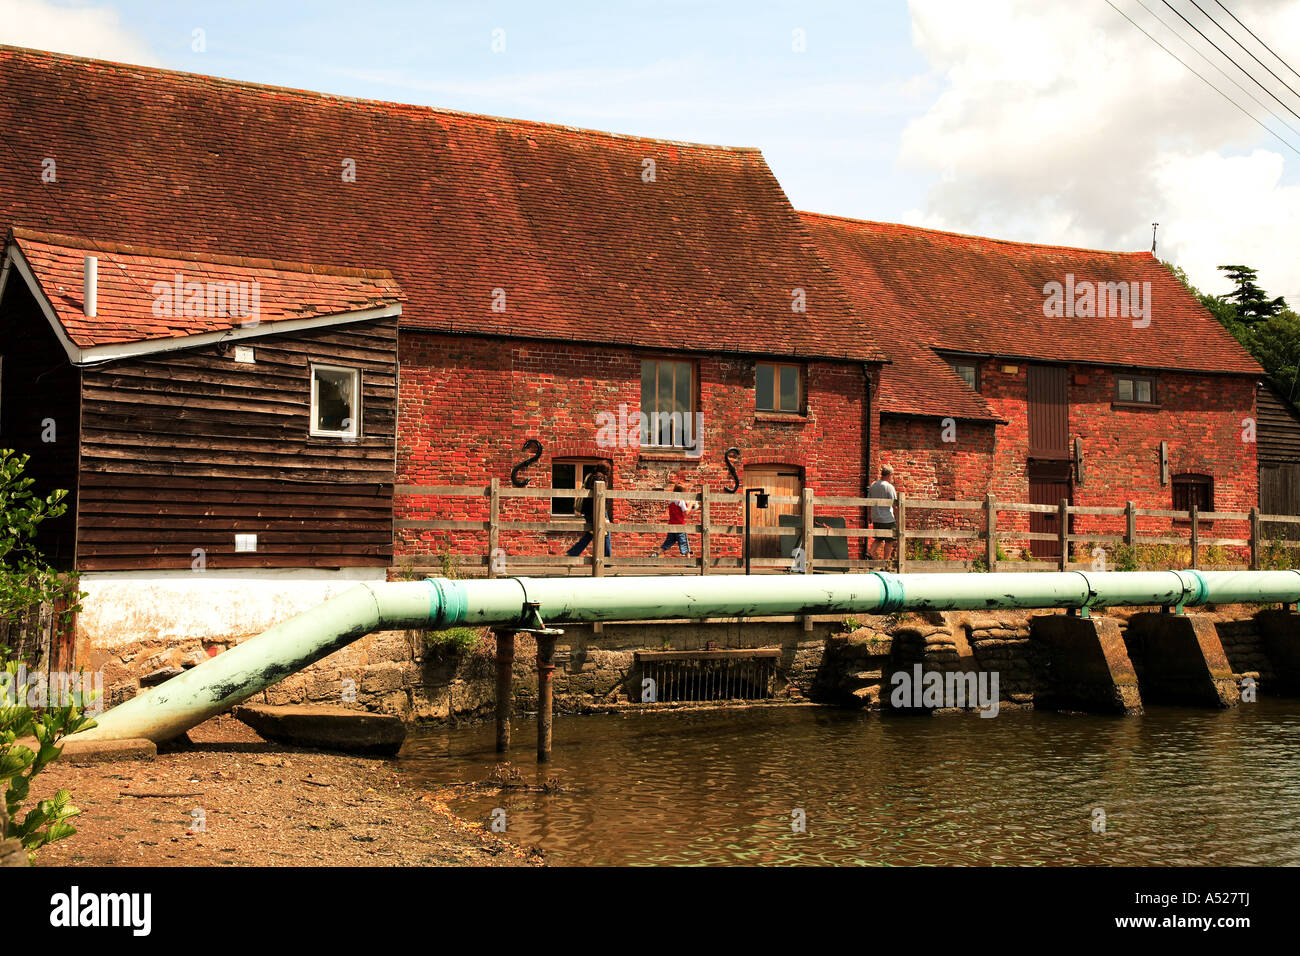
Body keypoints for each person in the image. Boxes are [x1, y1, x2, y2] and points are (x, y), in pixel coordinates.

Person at [567, 466, 613, 558]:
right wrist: (603, 513)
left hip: (590, 510)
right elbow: (600, 495)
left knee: (592, 533)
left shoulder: (591, 476)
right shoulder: (600, 477)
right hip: (597, 510)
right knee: (605, 534)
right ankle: (607, 559)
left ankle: (573, 552)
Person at [651, 484, 698, 558]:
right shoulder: (680, 501)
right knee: (684, 543)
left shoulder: (671, 500)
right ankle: (689, 561)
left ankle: (656, 554)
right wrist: (691, 504)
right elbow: (686, 512)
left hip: (672, 524)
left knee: (668, 542)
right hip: (680, 525)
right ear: (682, 492)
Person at [866, 464, 898, 562]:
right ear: (889, 475)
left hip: (876, 517)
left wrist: (869, 515)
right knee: (889, 541)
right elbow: (895, 504)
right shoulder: (889, 487)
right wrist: (897, 518)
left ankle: (870, 552)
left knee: (879, 538)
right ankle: (886, 562)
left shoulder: (873, 485)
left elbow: (868, 502)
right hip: (887, 518)